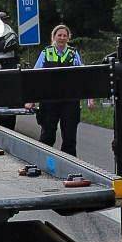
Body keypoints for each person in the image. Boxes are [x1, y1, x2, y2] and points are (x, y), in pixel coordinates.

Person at [31, 24, 85, 156]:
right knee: (47, 136)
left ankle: (70, 167)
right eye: (59, 35)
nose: (62, 38)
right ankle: (42, 162)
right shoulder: (46, 52)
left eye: (65, 35)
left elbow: (83, 75)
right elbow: (34, 77)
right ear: (54, 37)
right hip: (49, 100)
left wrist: (88, 99)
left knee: (69, 137)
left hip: (70, 100)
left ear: (68, 38)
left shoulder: (73, 53)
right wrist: (31, 99)